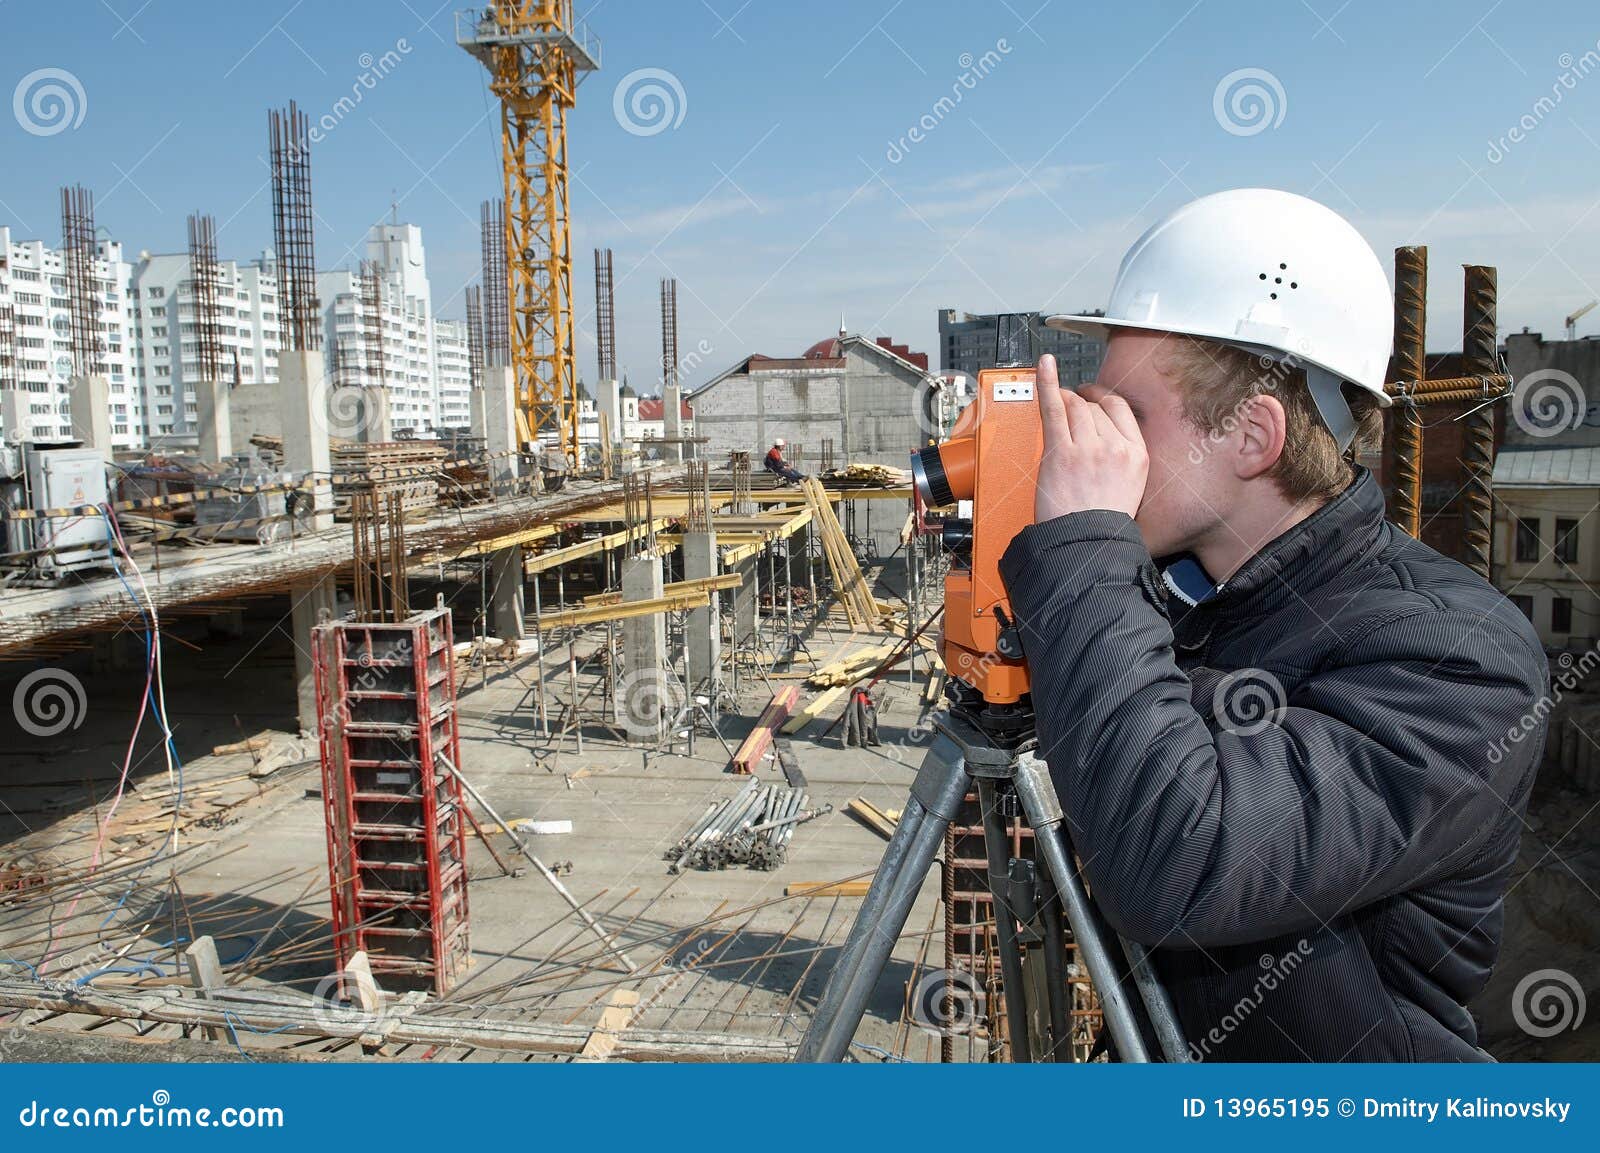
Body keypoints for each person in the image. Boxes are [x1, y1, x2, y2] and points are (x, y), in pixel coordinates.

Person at [999, 188, 1547, 1061]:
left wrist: (1084, 556)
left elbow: (1174, 861)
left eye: (1129, 417)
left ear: (1253, 436)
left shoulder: (1457, 661)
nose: (1094, 437)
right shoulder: (1188, 599)